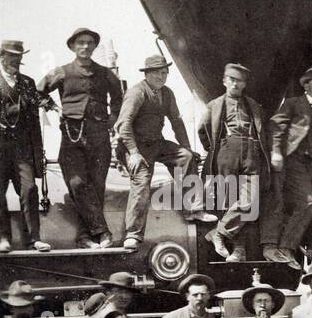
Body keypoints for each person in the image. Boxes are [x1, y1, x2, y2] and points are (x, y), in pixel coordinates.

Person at [38, 28, 122, 248]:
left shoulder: (106, 73)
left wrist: (111, 120)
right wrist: (53, 107)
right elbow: (37, 92)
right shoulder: (62, 72)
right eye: (81, 43)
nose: (85, 46)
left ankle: (85, 238)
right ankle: (102, 232)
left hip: (99, 137)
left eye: (90, 43)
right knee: (76, 183)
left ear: (94, 47)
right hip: (71, 136)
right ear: (73, 46)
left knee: (96, 186)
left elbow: (118, 98)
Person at [114, 54, 193, 251]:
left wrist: (187, 146)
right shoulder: (136, 93)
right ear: (147, 74)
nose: (161, 76)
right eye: (157, 72)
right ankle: (133, 234)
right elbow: (123, 126)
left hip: (156, 143)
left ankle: (193, 209)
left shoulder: (167, 93)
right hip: (135, 146)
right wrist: (132, 153)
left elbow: (177, 122)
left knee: (186, 157)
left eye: (165, 72)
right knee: (141, 182)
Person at [261, 67, 312, 266]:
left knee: (303, 204)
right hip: (287, 159)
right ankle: (273, 248)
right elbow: (276, 127)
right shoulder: (293, 103)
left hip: (306, 166)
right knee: (280, 201)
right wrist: (276, 152)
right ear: (306, 86)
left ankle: (285, 248)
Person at [203, 63, 272, 263]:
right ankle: (238, 250)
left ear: (244, 84)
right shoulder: (215, 105)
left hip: (251, 152)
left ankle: (219, 232)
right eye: (231, 79)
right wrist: (217, 149)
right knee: (230, 200)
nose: (235, 84)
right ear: (224, 81)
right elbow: (203, 130)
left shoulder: (253, 105)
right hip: (227, 151)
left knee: (250, 201)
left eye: (239, 81)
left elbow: (262, 130)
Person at [0, 39, 51, 253]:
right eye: (11, 55)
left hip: (22, 149)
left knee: (29, 189)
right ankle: (2, 237)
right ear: (1, 56)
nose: (16, 60)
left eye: (19, 56)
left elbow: (34, 121)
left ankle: (34, 239)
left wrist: (38, 153)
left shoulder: (28, 83)